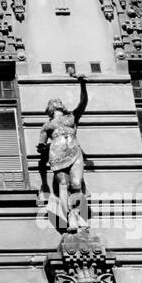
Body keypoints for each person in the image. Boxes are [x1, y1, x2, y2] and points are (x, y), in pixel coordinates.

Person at [39, 74, 88, 231]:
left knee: (76, 183)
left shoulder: (72, 117)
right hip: (57, 155)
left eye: (58, 103)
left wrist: (82, 84)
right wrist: (42, 147)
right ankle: (70, 217)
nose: (57, 104)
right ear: (50, 109)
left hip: (74, 151)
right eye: (54, 104)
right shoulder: (47, 125)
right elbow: (41, 144)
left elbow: (83, 103)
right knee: (63, 184)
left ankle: (79, 214)